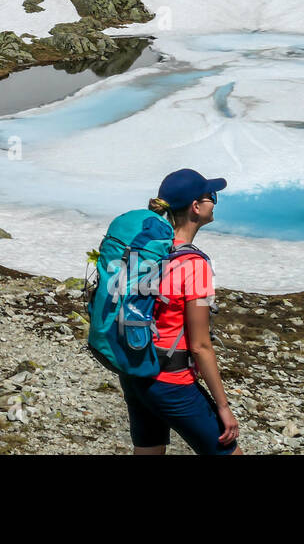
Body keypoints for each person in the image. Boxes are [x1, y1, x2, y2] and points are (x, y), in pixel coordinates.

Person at [118, 168, 243, 455]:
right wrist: (223, 408)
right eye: (211, 196)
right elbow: (200, 346)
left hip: (135, 370)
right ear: (195, 208)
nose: (214, 201)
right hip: (171, 383)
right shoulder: (195, 266)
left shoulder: (143, 250)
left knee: (149, 451)